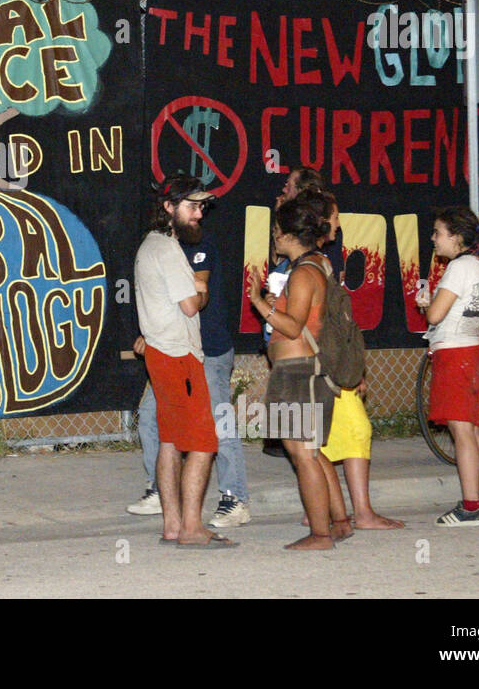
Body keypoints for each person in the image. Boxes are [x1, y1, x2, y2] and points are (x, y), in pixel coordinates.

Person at [129, 179, 249, 529]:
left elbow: (196, 297)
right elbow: (189, 300)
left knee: (212, 426)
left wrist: (194, 294)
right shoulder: (164, 247)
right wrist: (150, 332)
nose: (200, 213)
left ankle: (234, 496)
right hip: (176, 352)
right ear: (169, 207)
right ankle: (168, 502)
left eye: (202, 207)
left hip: (206, 348)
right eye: (192, 206)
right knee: (160, 423)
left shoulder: (196, 242)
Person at [248, 192, 338, 550]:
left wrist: (257, 302)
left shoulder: (304, 272)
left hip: (299, 372)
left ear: (288, 234)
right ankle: (334, 525)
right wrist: (273, 305)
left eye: (276, 231)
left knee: (303, 455)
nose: (273, 237)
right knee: (309, 453)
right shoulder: (317, 264)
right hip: (299, 371)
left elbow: (292, 326)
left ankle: (321, 534)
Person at [313, 189, 404, 532]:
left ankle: (323, 511)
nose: (339, 224)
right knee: (348, 432)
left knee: (322, 439)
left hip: (326, 365)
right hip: (326, 366)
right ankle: (355, 514)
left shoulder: (318, 260)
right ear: (319, 221)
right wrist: (347, 367)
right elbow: (329, 325)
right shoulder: (315, 264)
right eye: (334, 218)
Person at [418, 206, 479, 527]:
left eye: (438, 233)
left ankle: (470, 505)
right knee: (474, 431)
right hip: (474, 351)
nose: (433, 239)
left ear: (457, 237)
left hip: (455, 354)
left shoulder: (459, 268)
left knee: (461, 431)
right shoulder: (477, 266)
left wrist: (425, 303)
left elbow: (435, 316)